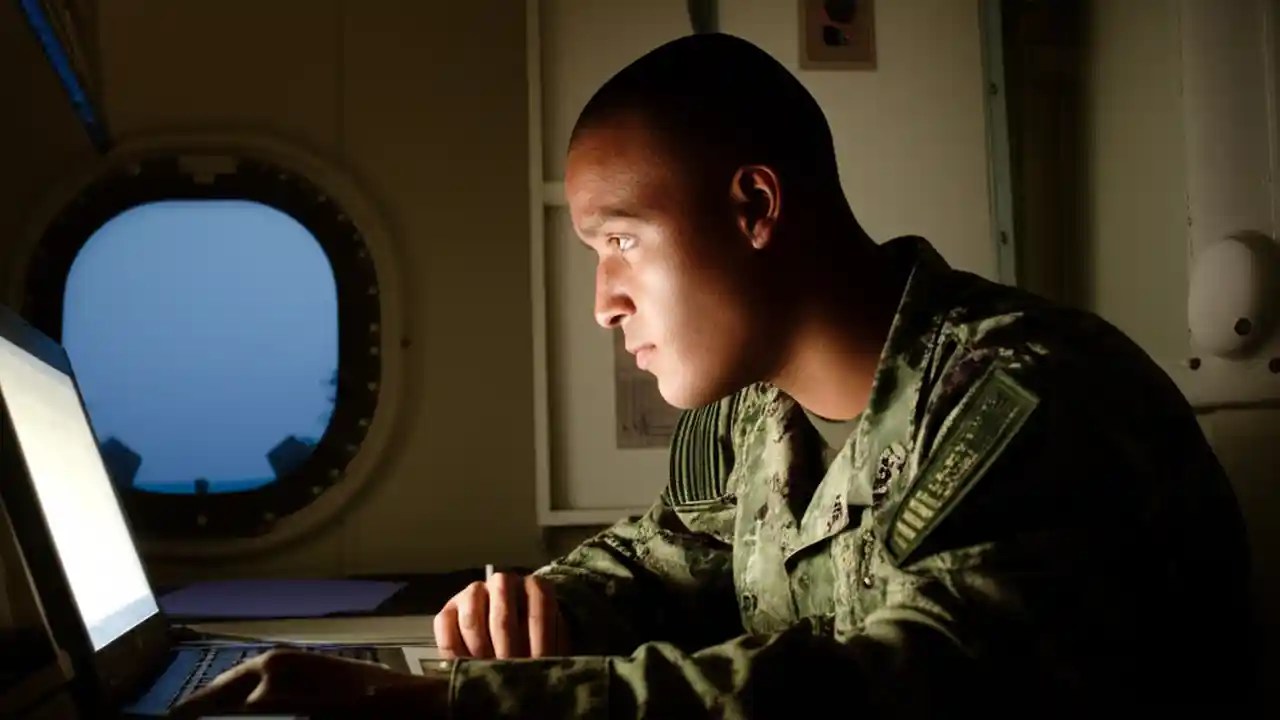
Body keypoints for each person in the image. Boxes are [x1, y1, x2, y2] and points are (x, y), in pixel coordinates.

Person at [176, 32, 1257, 718]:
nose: (603, 299)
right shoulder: (760, 422)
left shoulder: (1023, 407)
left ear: (751, 209)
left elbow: (882, 694)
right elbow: (668, 558)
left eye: (619, 241)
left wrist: (424, 713)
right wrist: (543, 611)